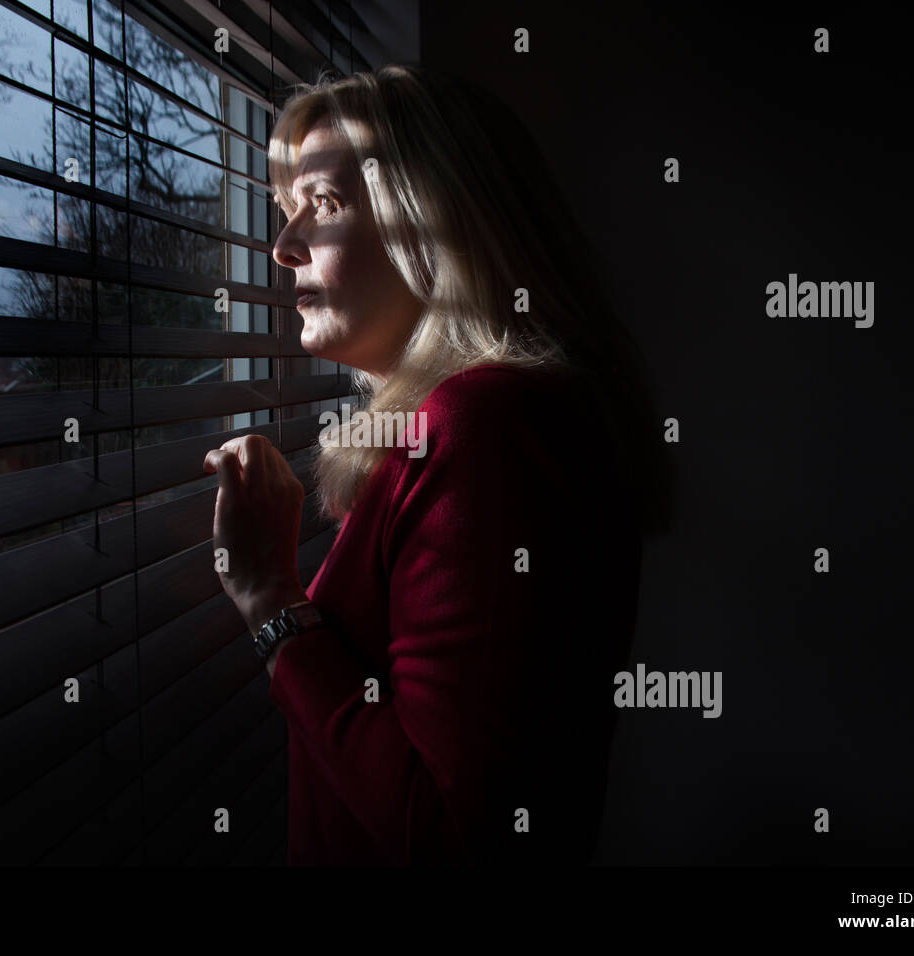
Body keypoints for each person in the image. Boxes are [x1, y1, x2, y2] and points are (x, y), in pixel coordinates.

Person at [203, 65, 674, 866]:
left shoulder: (487, 425)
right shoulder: (492, 420)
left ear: (434, 220)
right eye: (288, 215)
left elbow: (457, 838)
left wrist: (270, 599)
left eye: (322, 207)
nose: (282, 248)